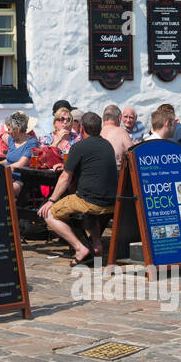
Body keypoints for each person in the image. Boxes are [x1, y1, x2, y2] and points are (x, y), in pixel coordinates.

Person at [39, 111, 117, 266]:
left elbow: (65, 178)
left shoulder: (79, 146)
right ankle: (96, 245)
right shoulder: (107, 145)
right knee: (89, 212)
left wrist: (51, 200)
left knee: (48, 214)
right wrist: (68, 166)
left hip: (90, 201)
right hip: (111, 201)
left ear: (81, 129)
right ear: (99, 128)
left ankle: (80, 248)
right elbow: (92, 166)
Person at [1, 111, 38, 198]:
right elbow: (9, 160)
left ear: (17, 129)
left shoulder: (32, 143)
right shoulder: (11, 139)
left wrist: (0, 170)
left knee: (4, 191)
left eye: (9, 129)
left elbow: (21, 163)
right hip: (6, 175)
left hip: (20, 178)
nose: (8, 132)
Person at [100, 104, 133, 168]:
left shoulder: (97, 131)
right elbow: (132, 154)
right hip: (116, 173)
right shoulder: (121, 131)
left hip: (97, 173)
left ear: (103, 118)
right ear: (119, 118)